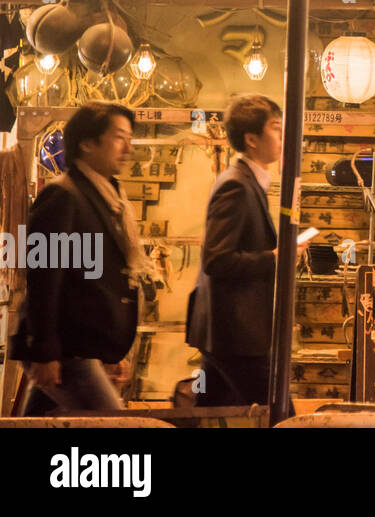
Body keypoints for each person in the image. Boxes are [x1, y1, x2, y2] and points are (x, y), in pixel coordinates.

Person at [11, 102, 157, 414]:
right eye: (119, 137)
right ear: (87, 143)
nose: (128, 148)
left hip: (82, 349)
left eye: (129, 138)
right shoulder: (64, 196)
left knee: (40, 418)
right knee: (111, 426)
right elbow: (44, 277)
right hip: (68, 350)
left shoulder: (108, 199)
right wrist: (44, 351)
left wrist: (110, 350)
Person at [186, 94, 283, 407]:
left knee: (209, 411)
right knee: (279, 413)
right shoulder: (237, 185)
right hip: (236, 335)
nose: (282, 137)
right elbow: (216, 258)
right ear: (252, 138)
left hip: (225, 332)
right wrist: (273, 259)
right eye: (276, 128)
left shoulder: (247, 182)